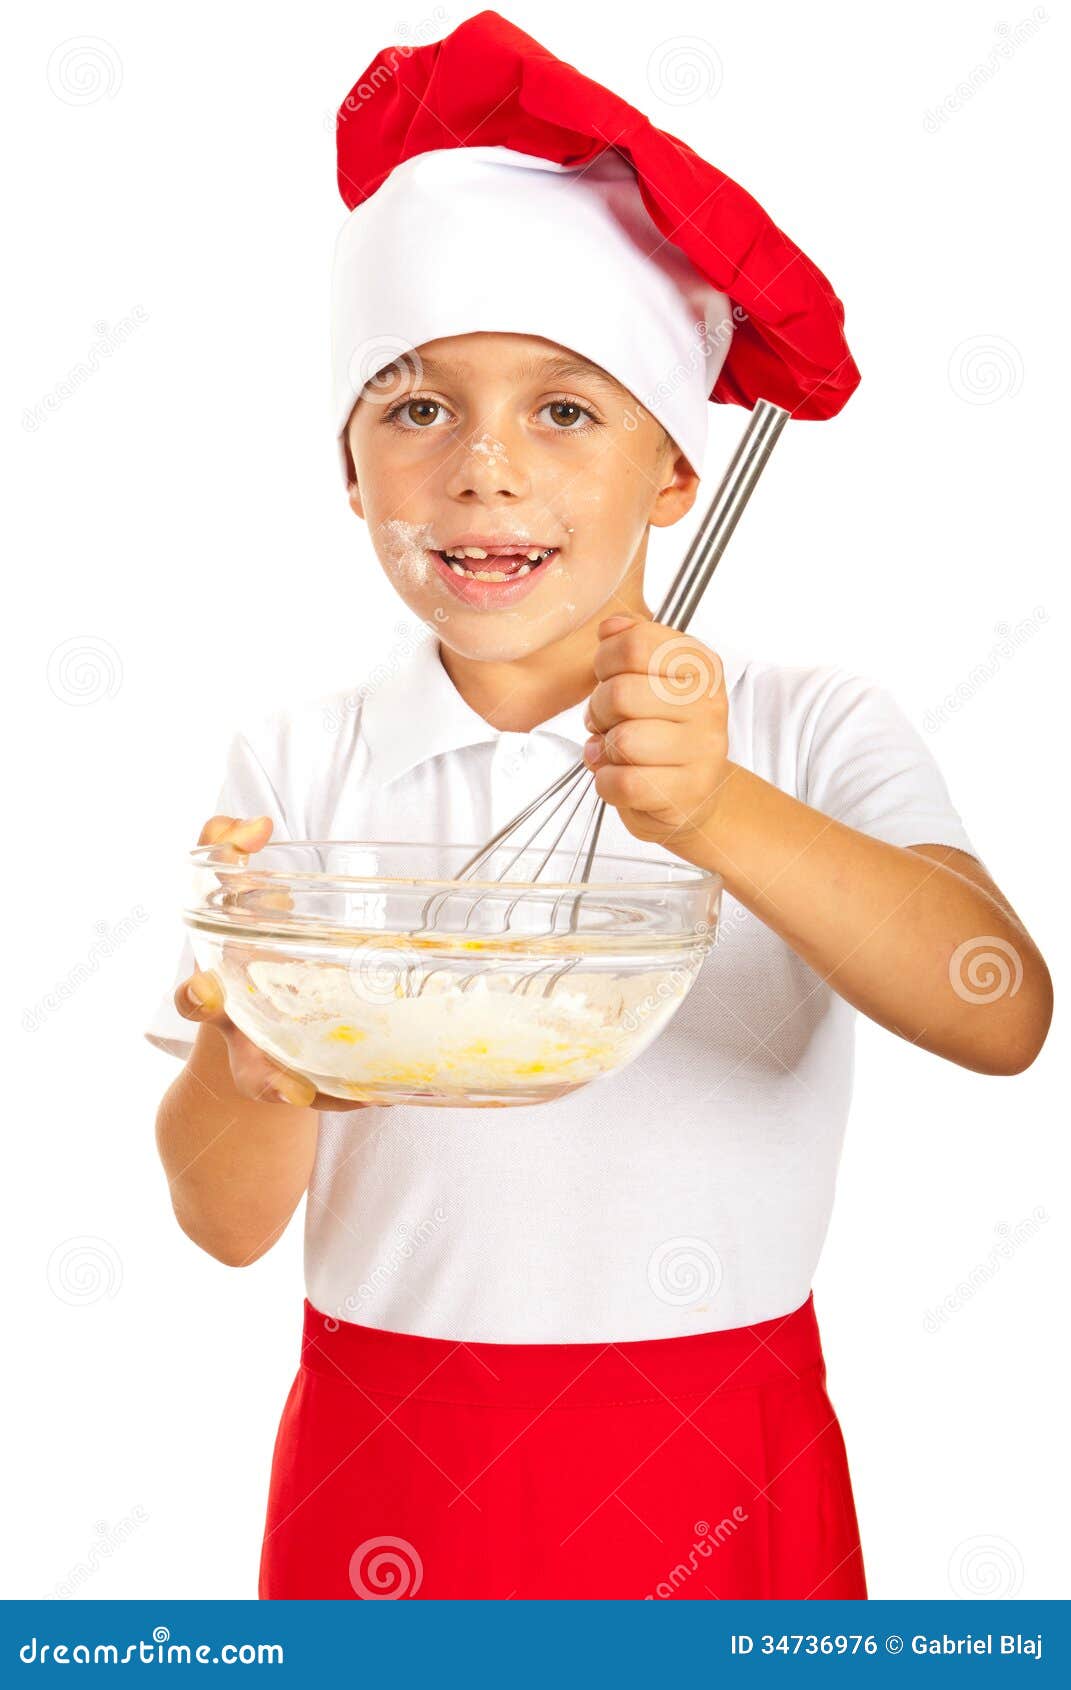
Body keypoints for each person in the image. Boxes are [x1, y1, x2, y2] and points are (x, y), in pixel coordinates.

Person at [146, 11, 1052, 1600]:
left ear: (675, 474)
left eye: (566, 409)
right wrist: (259, 1061)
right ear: (348, 470)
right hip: (391, 1452)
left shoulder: (800, 725)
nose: (483, 472)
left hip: (720, 1439)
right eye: (418, 408)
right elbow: (223, 1224)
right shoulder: (301, 770)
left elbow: (1001, 1009)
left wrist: (714, 813)